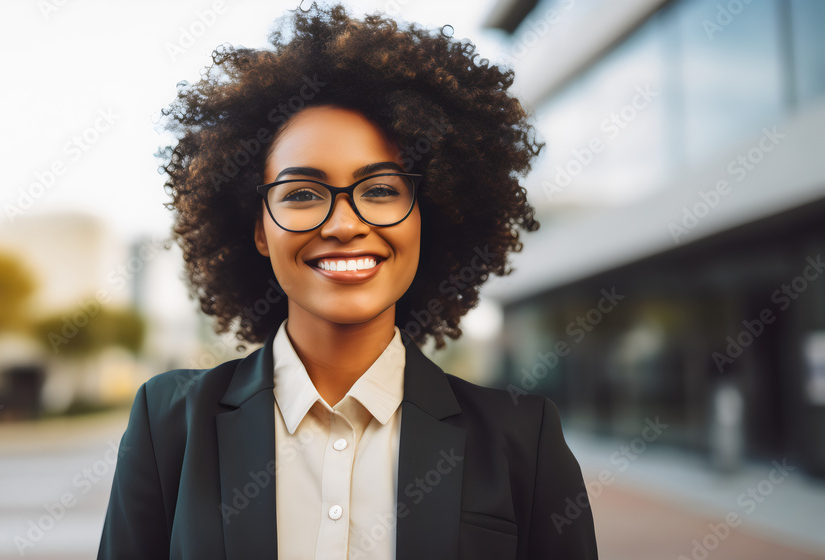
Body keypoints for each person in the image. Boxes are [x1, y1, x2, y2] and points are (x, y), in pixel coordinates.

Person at [97, 2, 598, 559]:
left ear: (427, 216)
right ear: (258, 230)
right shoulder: (168, 424)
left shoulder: (521, 439)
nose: (344, 224)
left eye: (381, 189)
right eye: (302, 194)